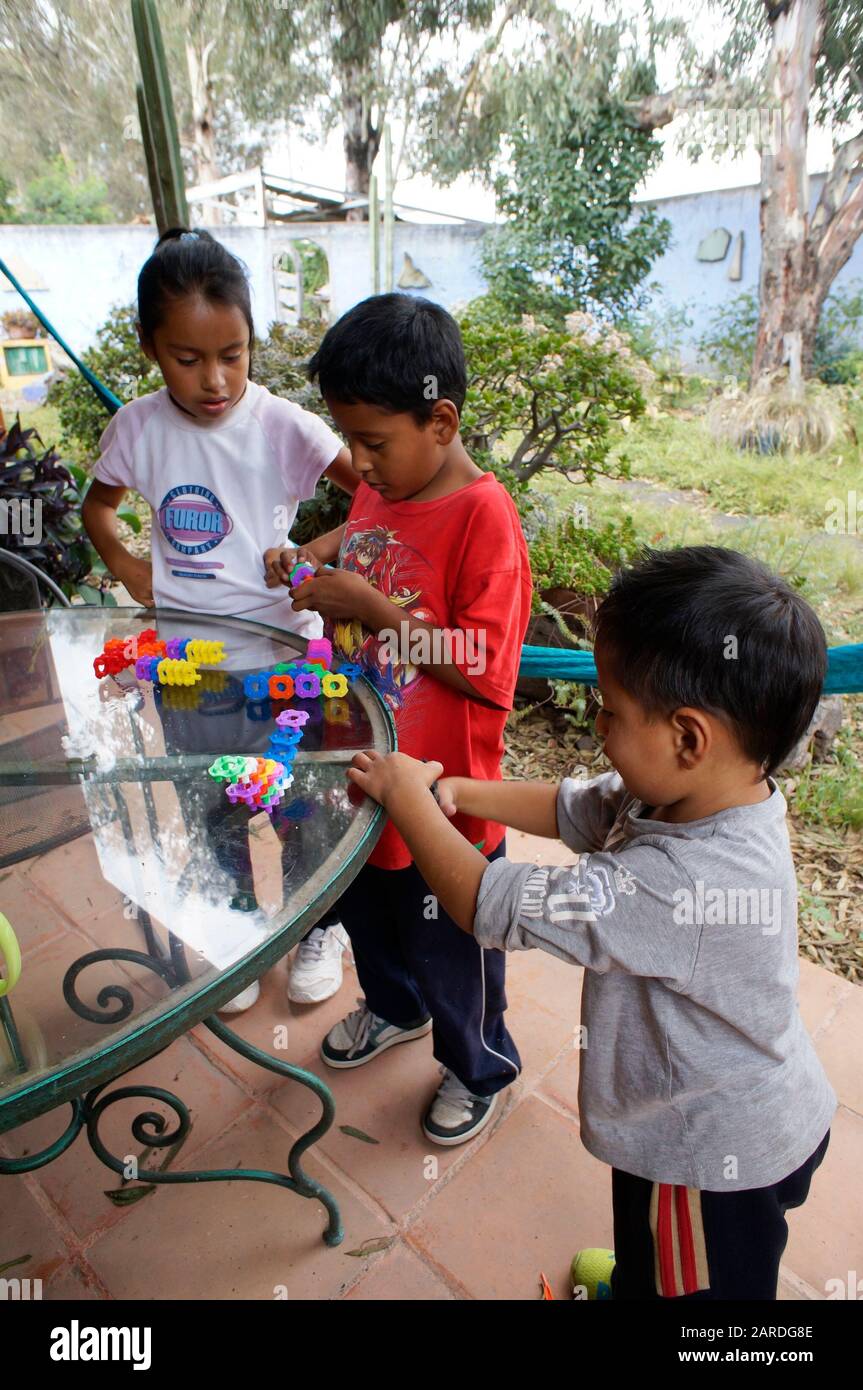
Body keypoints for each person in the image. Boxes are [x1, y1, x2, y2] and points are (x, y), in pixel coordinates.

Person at [346, 545, 837, 1298]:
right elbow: (572, 805)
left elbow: (486, 904)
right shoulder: (693, 793)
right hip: (702, 1115)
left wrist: (405, 799)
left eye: (609, 709)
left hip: (707, 1159)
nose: (598, 724)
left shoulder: (682, 883)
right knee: (645, 1245)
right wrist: (454, 791)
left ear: (687, 736)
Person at [266, 293, 533, 1145]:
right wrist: (310, 554)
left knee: (451, 940)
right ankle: (394, 1007)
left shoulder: (484, 518)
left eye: (373, 442)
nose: (358, 462)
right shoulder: (389, 485)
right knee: (370, 918)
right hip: (363, 776)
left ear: (441, 419)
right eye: (348, 440)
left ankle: (479, 1061)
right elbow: (366, 526)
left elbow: (487, 669)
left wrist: (375, 610)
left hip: (443, 802)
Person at [82, 226, 354, 1010]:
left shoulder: (282, 426)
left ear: (250, 341)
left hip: (284, 663)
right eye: (187, 358)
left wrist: (314, 549)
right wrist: (129, 567)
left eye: (232, 355)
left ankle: (315, 927)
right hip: (189, 669)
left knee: (302, 800)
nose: (214, 380)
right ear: (149, 347)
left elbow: (372, 488)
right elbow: (98, 507)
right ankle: (237, 922)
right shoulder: (136, 428)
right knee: (215, 802)